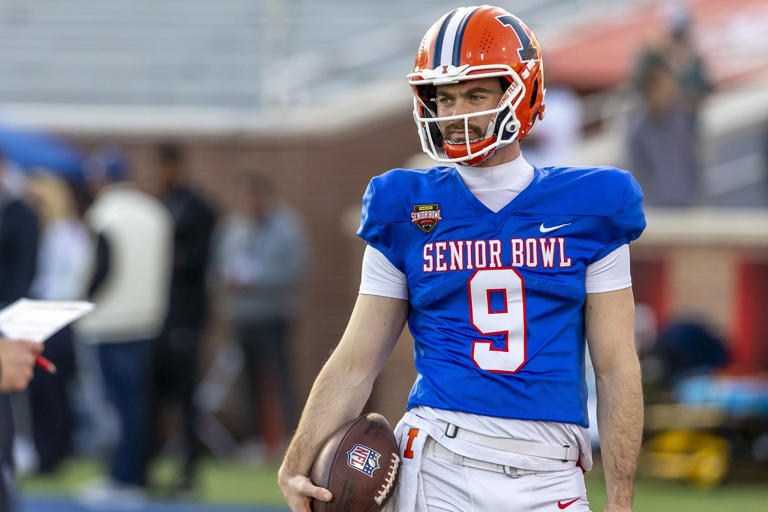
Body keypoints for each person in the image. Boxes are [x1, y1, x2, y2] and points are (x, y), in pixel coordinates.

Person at [279, 6, 645, 512]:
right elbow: (356, 362)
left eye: (475, 94)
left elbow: (616, 366)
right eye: (444, 97)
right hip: (438, 459)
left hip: (552, 469)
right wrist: (295, 461)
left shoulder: (592, 204)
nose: (456, 113)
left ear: (524, 92)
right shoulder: (404, 205)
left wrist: (621, 499)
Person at [75, 149, 173, 506]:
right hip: (147, 322)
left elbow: (101, 270)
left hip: (109, 324)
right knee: (137, 406)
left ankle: (121, 477)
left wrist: (79, 298)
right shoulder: (155, 211)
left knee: (116, 409)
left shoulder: (103, 215)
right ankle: (134, 476)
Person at [214, 173, 307, 460]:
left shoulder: (286, 227)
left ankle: (291, 439)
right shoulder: (233, 227)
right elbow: (219, 264)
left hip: (274, 314)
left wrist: (257, 280)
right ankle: (254, 440)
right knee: (249, 380)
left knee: (280, 377)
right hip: (243, 316)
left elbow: (295, 269)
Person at [148, 142, 216, 492]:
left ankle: (190, 467)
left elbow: (196, 260)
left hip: (185, 316)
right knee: (154, 395)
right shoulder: (161, 204)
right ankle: (147, 465)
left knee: (186, 396)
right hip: (158, 316)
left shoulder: (196, 207)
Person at [0, 146, 41, 512]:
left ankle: (16, 454)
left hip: (7, 320)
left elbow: (23, 271)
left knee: (12, 389)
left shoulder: (21, 215)